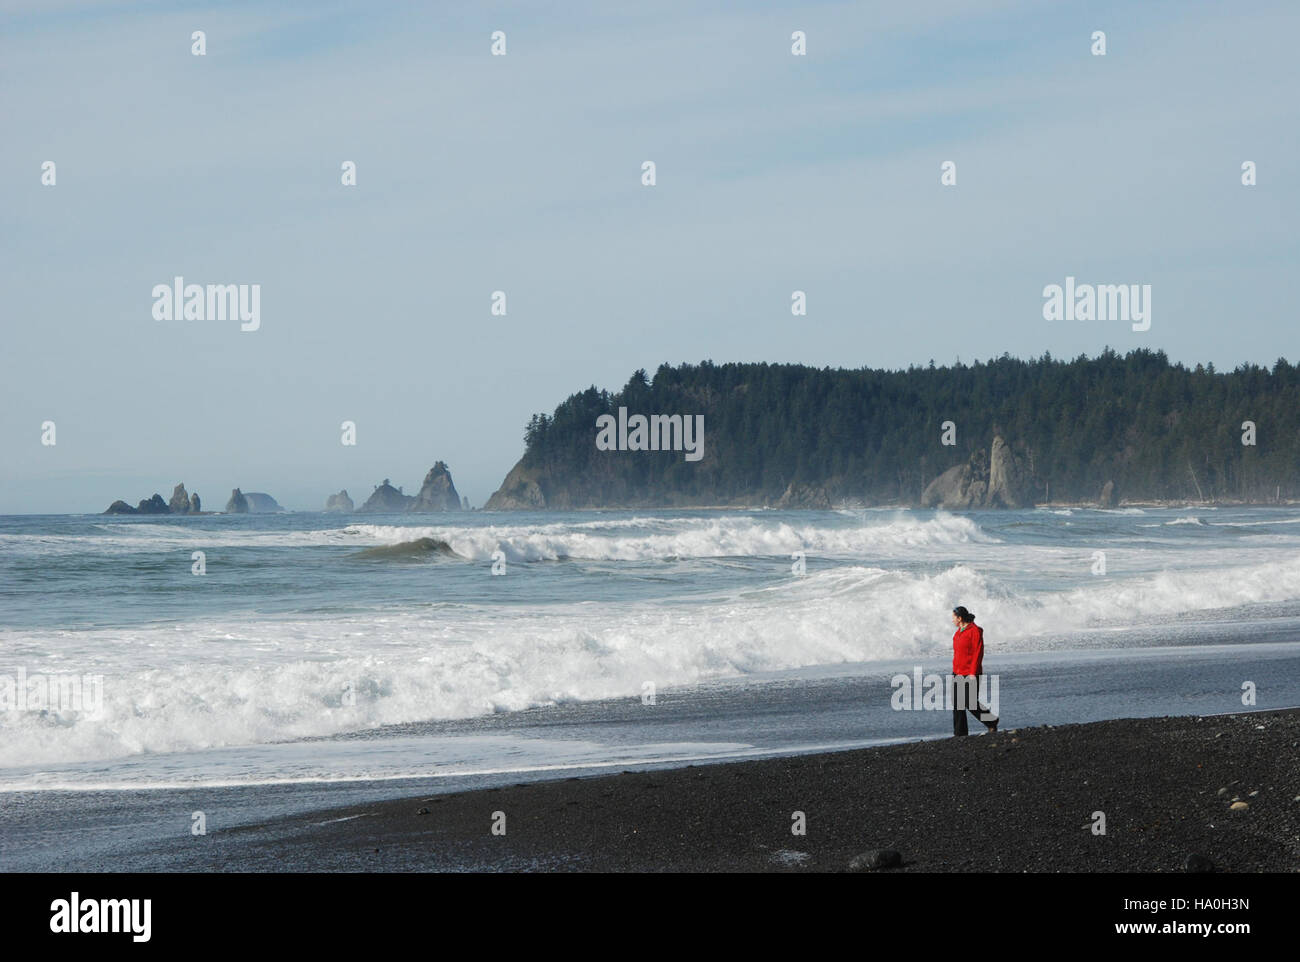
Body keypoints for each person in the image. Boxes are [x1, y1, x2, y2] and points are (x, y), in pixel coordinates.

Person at [950, 605, 997, 736]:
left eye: (953, 618)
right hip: (957, 672)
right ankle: (960, 734)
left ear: (959, 618)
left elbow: (978, 653)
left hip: (971, 673)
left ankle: (991, 721)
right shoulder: (958, 632)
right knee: (957, 704)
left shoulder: (974, 631)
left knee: (969, 702)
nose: (952, 620)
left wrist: (973, 672)